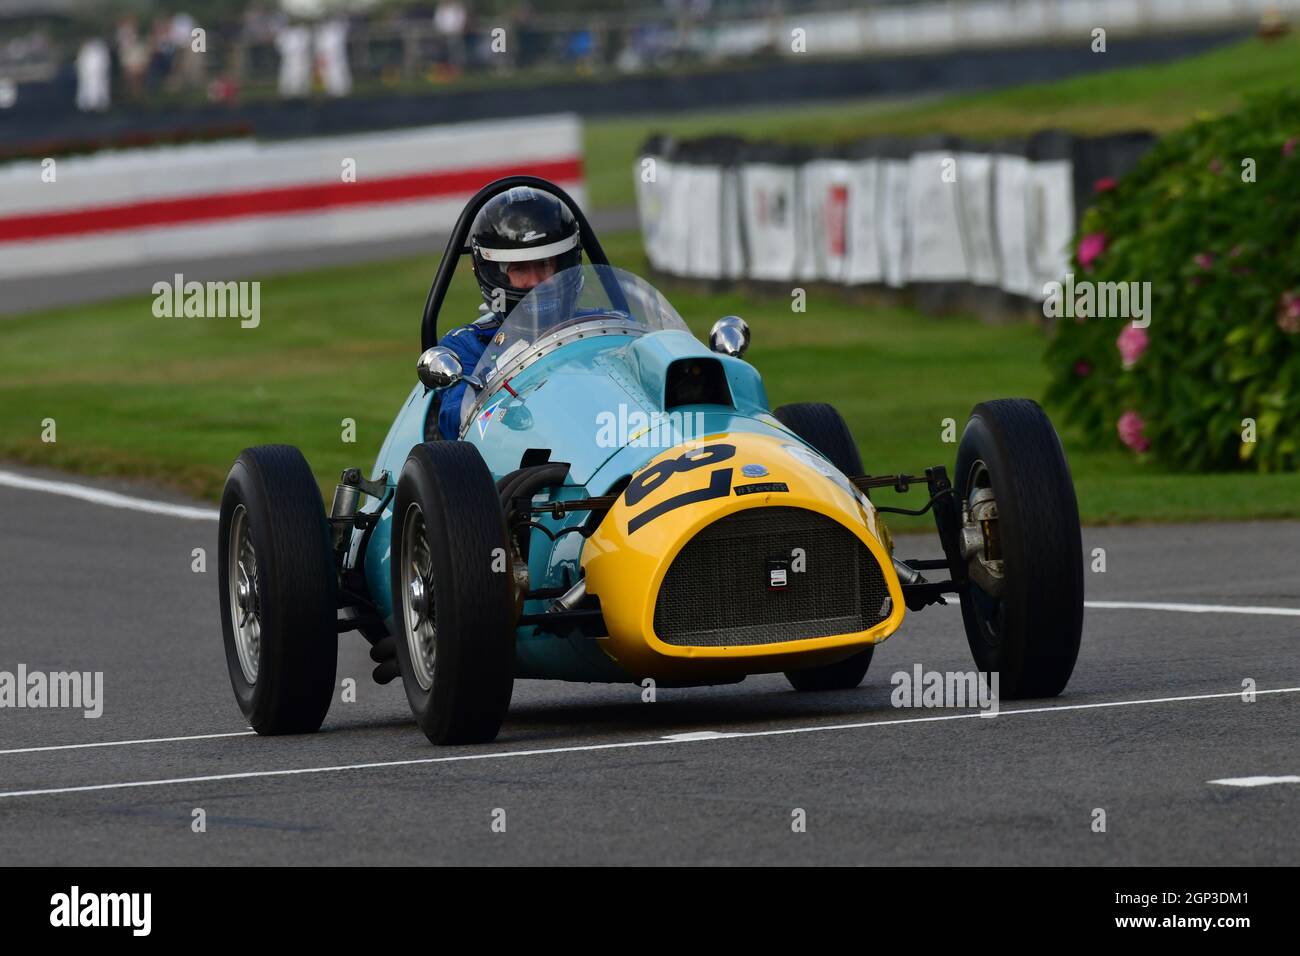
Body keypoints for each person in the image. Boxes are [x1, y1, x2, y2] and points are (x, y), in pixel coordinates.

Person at [434, 187, 582, 440]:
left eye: (544, 265)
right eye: (520, 269)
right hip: (525, 463)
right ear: (495, 274)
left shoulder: (604, 324)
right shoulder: (468, 346)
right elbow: (457, 420)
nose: (536, 281)